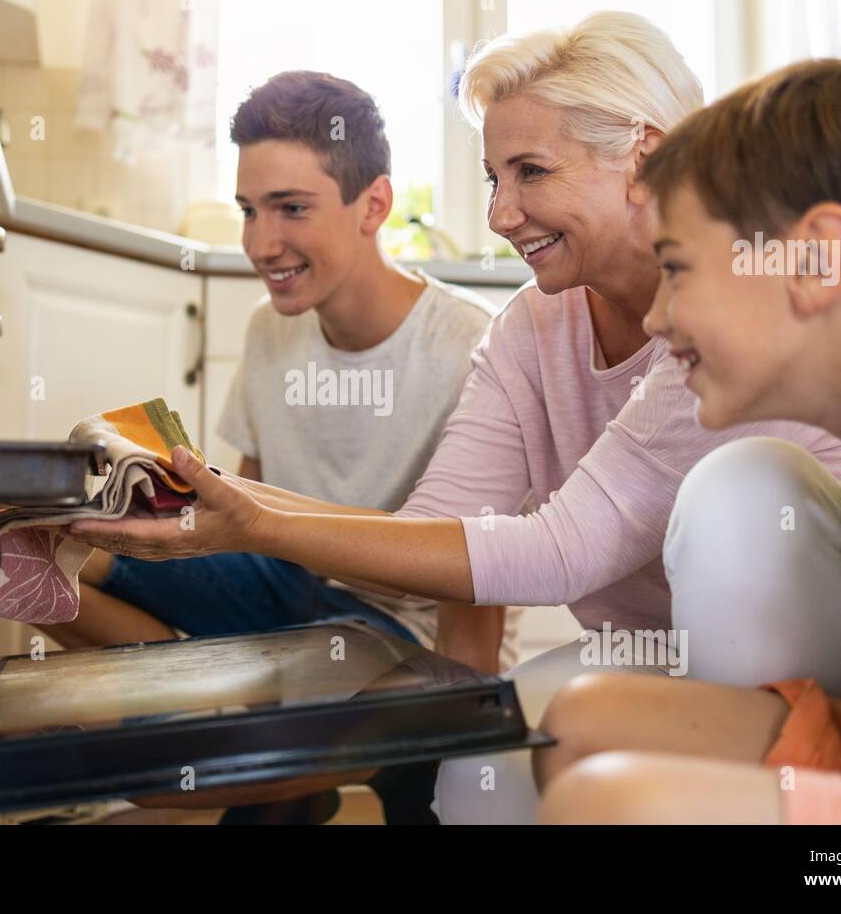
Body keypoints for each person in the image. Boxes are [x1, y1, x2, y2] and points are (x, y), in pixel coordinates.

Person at [69, 13, 841, 824]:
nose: (500, 213)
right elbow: (437, 532)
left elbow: (558, 551)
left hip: (812, 671)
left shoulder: (719, 313)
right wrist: (239, 512)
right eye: (493, 178)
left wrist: (252, 526)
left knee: (740, 489)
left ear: (646, 158)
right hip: (658, 658)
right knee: (484, 770)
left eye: (530, 172)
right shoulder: (532, 328)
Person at [535, 53, 841, 824]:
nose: (654, 318)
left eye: (676, 268)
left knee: (608, 800)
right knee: (579, 724)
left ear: (815, 260)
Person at [41, 70, 500, 664]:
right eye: (249, 211)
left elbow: (479, 579)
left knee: (301, 677)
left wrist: (466, 735)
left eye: (291, 208)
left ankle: (212, 696)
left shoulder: (471, 344)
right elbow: (239, 512)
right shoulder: (268, 328)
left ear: (375, 205)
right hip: (282, 582)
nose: (260, 245)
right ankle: (177, 696)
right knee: (50, 542)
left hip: (400, 621)